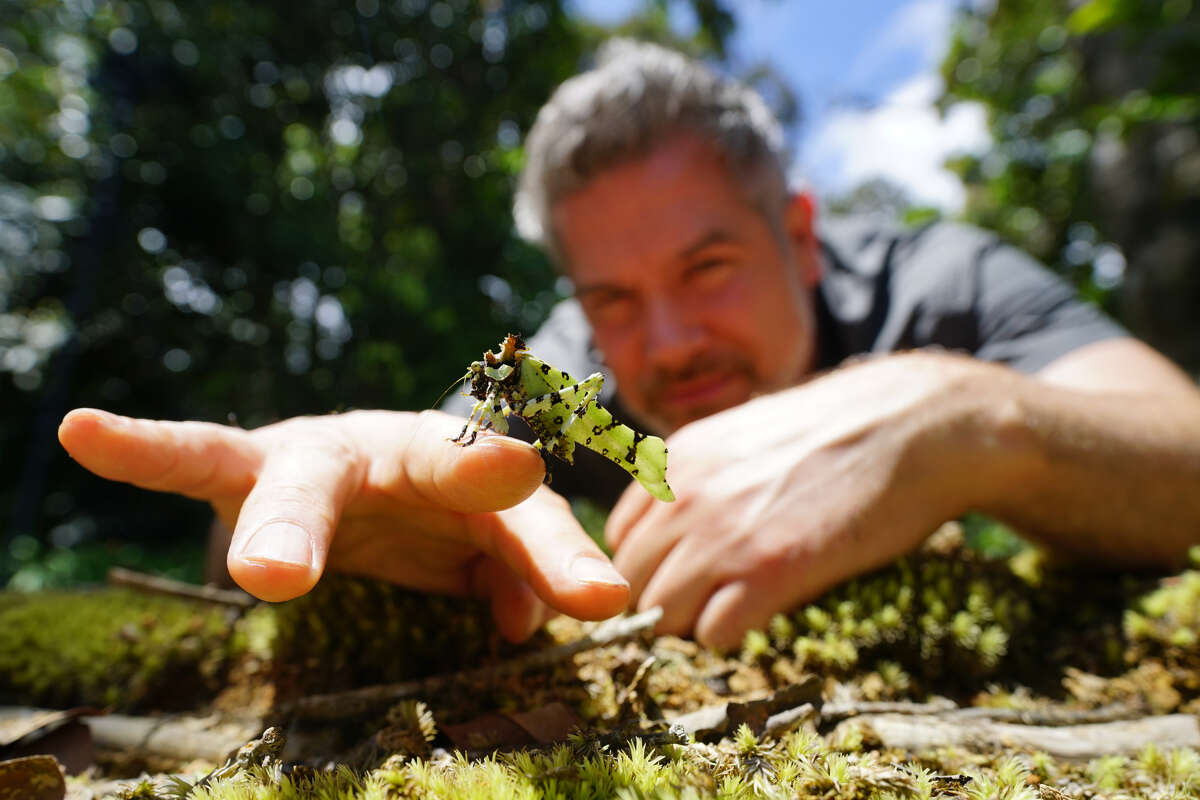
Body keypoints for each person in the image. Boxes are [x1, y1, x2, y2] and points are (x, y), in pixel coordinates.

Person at [59, 40, 1200, 651]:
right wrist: (303, 499)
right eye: (611, 294)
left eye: (708, 269)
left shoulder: (942, 280)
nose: (666, 342)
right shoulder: (554, 370)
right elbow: (400, 466)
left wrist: (966, 416)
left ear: (797, 233)